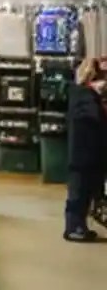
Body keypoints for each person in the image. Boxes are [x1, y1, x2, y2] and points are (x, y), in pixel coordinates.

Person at [65, 57, 107, 242]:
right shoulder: (83, 95)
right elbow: (91, 119)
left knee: (84, 193)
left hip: (88, 153)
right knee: (79, 194)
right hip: (84, 154)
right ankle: (73, 228)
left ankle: (79, 226)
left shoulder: (84, 95)